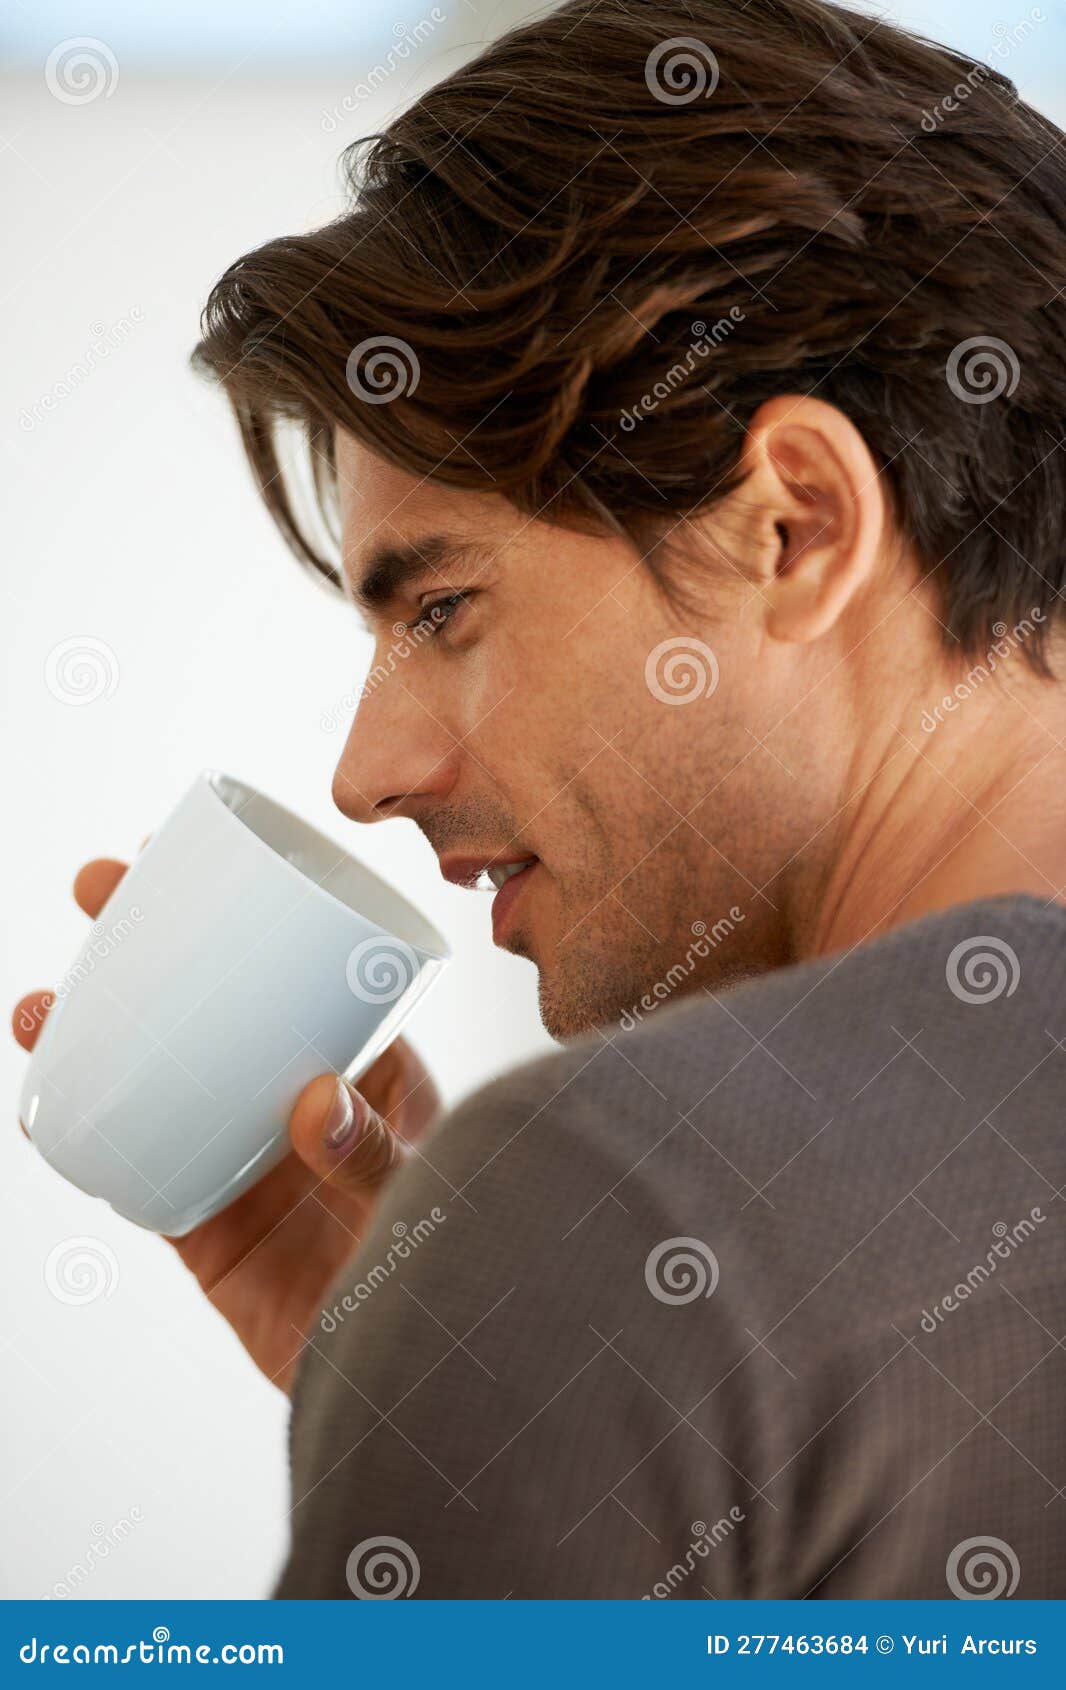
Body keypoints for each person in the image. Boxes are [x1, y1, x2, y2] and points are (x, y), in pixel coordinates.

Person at [14, 0, 1066, 1598]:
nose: (365, 777)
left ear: (792, 527)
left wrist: (537, 1315)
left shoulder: (607, 1212)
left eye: (438, 607)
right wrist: (475, 1426)